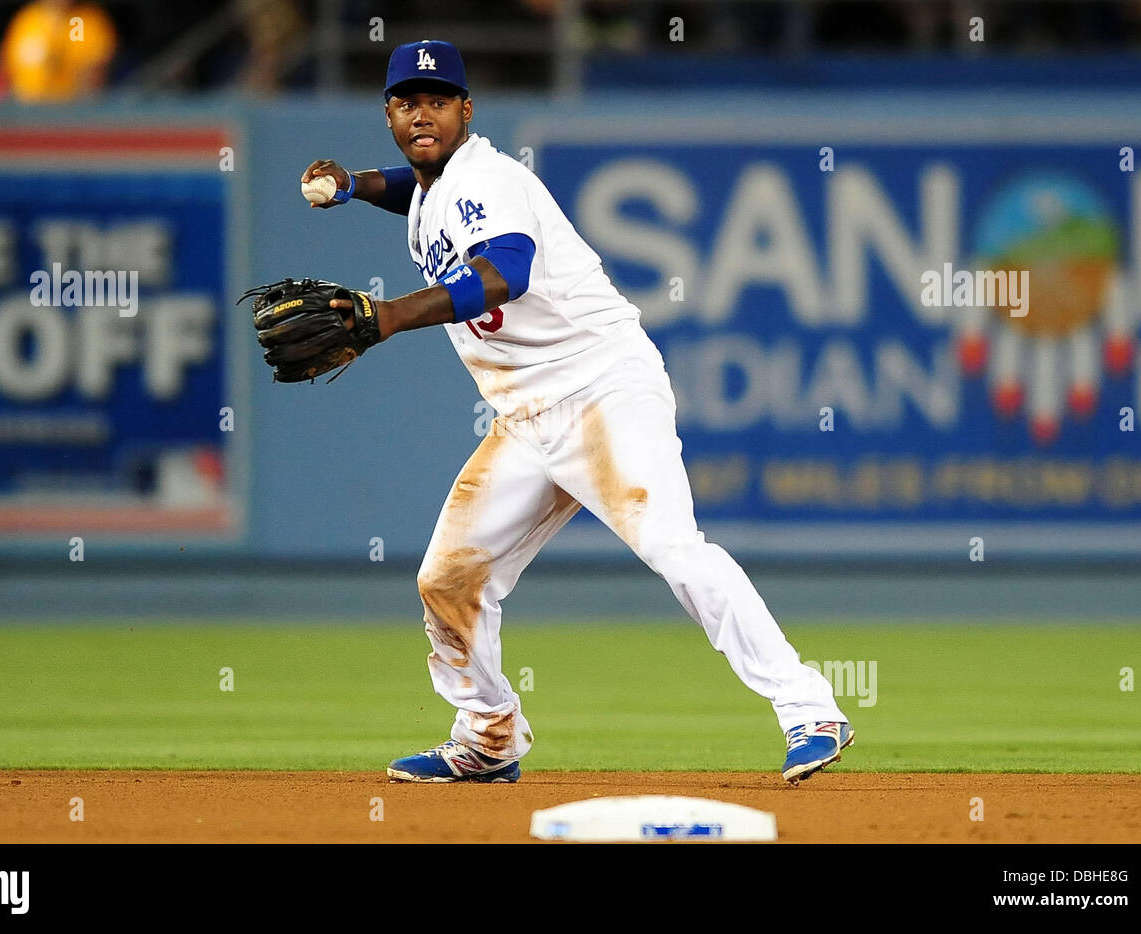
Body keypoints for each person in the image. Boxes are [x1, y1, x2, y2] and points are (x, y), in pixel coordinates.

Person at [301, 40, 854, 784]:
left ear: (467, 110)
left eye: (437, 100)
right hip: (525, 415)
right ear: (390, 113)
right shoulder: (442, 183)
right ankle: (489, 735)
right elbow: (419, 190)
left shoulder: (488, 178)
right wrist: (354, 184)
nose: (421, 114)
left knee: (672, 548)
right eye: (406, 102)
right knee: (448, 578)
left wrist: (392, 315)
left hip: (602, 389)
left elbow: (506, 274)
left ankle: (809, 707)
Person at [0, 0, 116, 103]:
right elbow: (5, 67)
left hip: (70, 111)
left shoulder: (86, 20)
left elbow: (96, 72)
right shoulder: (26, 19)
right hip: (27, 111)